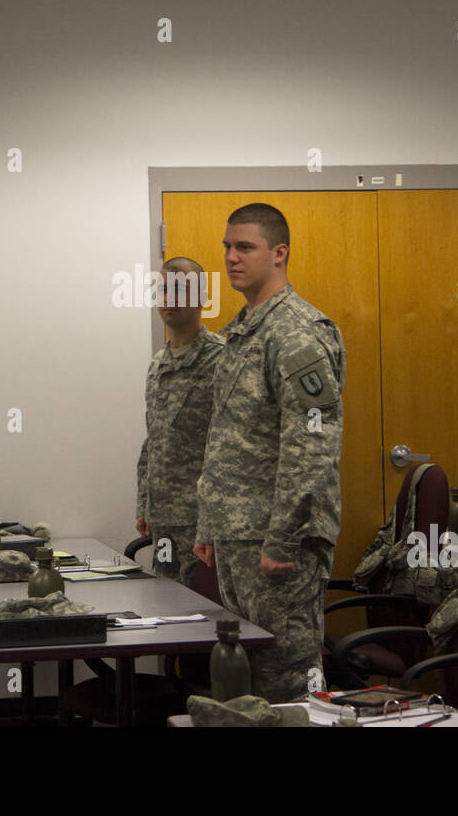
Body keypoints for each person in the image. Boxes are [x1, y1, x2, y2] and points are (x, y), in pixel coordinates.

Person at [193, 203, 345, 703]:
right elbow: (227, 438)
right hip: (240, 537)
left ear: (279, 253)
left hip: (278, 545)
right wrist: (210, 525)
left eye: (245, 247)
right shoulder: (242, 332)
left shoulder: (296, 332)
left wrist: (284, 539)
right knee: (247, 683)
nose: (231, 258)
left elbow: (312, 445)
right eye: (227, 247)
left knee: (285, 680)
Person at [135, 257, 225, 586]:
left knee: (204, 616)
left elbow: (228, 448)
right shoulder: (158, 364)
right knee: (166, 603)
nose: (168, 298)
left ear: (202, 298)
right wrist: (144, 502)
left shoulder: (221, 360)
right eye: (162, 289)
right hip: (163, 523)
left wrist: (213, 525)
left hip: (202, 526)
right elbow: (153, 440)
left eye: (179, 289)